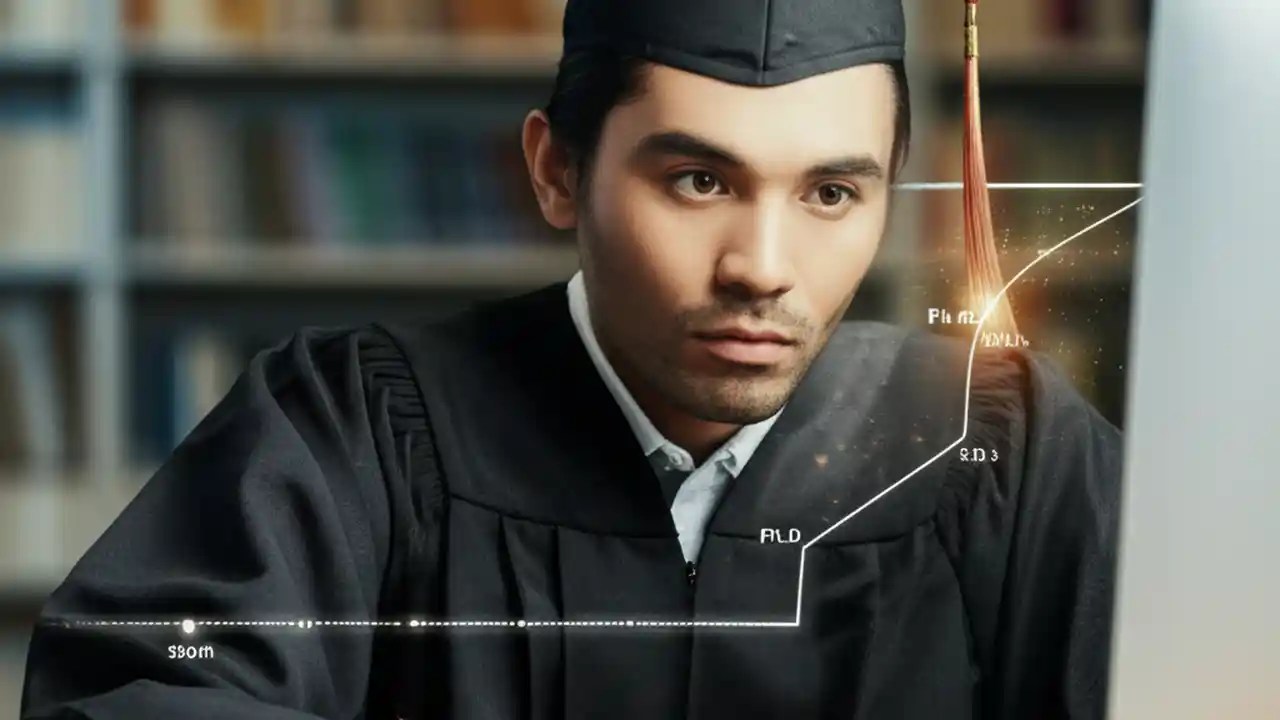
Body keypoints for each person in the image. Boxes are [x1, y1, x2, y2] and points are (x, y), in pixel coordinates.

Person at [21, 1, 1122, 718]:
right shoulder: (357, 423)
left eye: (831, 192)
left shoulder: (1001, 450)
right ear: (556, 172)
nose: (763, 266)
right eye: (697, 180)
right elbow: (143, 690)